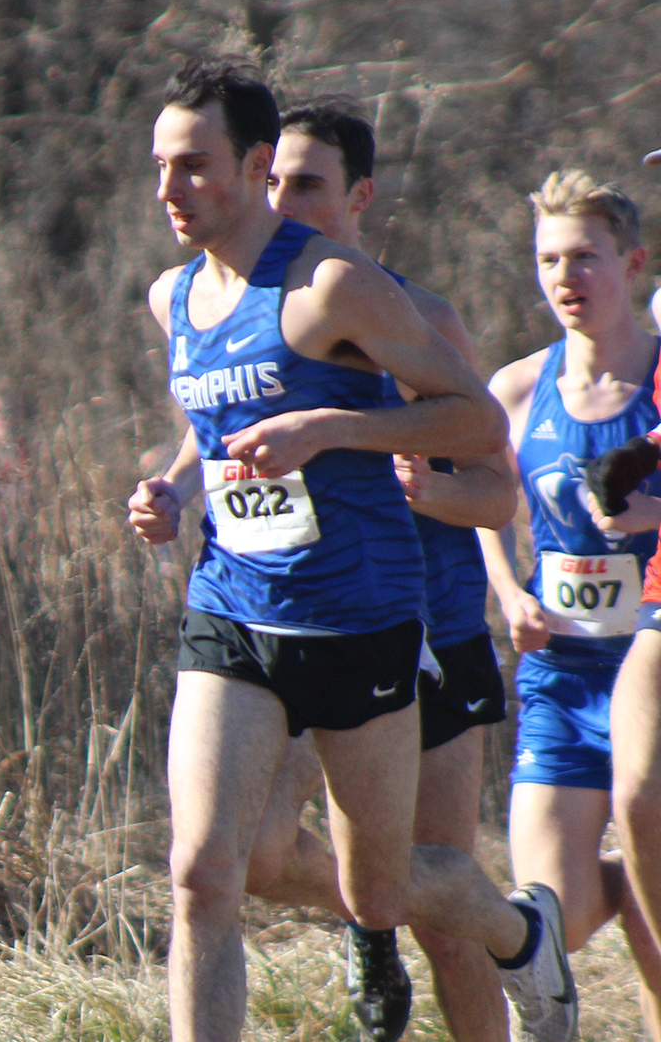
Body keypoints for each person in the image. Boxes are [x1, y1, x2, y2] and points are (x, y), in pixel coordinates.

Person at [126, 57, 575, 1042]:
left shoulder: (335, 287)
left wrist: (332, 429)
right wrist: (173, 488)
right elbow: (216, 426)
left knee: (377, 895)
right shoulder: (173, 298)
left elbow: (473, 425)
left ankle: (517, 931)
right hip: (233, 609)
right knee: (204, 874)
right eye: (160, 166)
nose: (169, 189)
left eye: (193, 166)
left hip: (361, 622)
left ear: (251, 166)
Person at [238, 96, 517, 1042]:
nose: (283, 201)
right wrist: (168, 493)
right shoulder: (249, 312)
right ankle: (370, 911)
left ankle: (505, 931)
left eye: (306, 185)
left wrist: (433, 494)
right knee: (256, 854)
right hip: (295, 622)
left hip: (429, 630)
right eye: (271, 181)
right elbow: (212, 451)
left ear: (359, 196)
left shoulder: (418, 319)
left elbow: (497, 491)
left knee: (448, 933)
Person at [487, 170, 661, 1041]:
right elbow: (484, 502)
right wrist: (510, 588)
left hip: (653, 667)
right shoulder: (518, 390)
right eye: (550, 260)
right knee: (543, 925)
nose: (567, 277)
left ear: (630, 264)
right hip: (558, 676)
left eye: (586, 257)